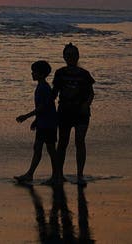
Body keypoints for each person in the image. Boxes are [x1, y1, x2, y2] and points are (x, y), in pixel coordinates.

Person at [52, 43, 95, 186]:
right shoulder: (60, 73)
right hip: (64, 112)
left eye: (73, 55)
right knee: (62, 143)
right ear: (64, 57)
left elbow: (91, 94)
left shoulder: (84, 74)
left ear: (78, 56)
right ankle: (59, 174)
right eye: (68, 55)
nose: (70, 57)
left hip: (81, 113)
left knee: (80, 142)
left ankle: (80, 174)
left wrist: (86, 105)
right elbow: (54, 94)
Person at [15, 60, 58, 185]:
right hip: (44, 123)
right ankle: (31, 174)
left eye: (34, 72)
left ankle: (55, 175)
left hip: (48, 124)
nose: (32, 74)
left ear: (41, 74)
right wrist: (36, 121)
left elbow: (43, 107)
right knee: (39, 148)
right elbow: (44, 108)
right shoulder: (41, 87)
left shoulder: (44, 88)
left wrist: (26, 116)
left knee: (49, 149)